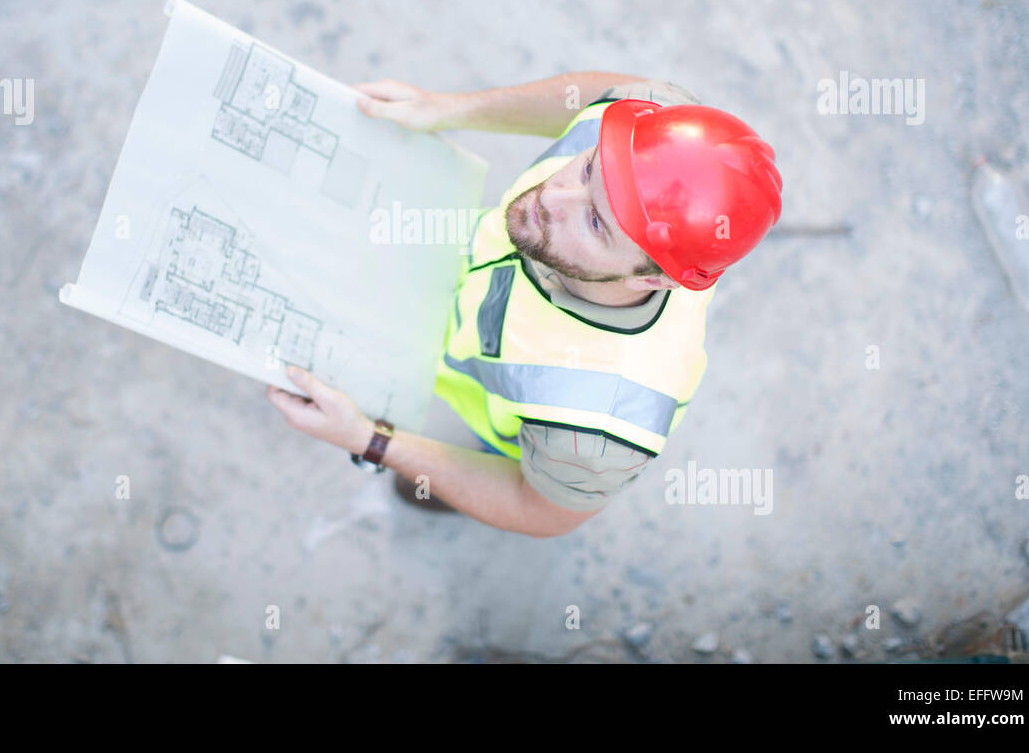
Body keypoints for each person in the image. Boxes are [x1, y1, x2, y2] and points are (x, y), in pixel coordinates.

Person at [266, 72, 782, 537]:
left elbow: (534, 506)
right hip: (449, 291)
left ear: (655, 278)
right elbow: (593, 100)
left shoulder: (595, 433)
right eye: (585, 171)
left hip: (505, 430)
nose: (549, 197)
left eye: (596, 222)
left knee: (460, 477)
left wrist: (376, 441)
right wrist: (452, 107)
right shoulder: (646, 118)